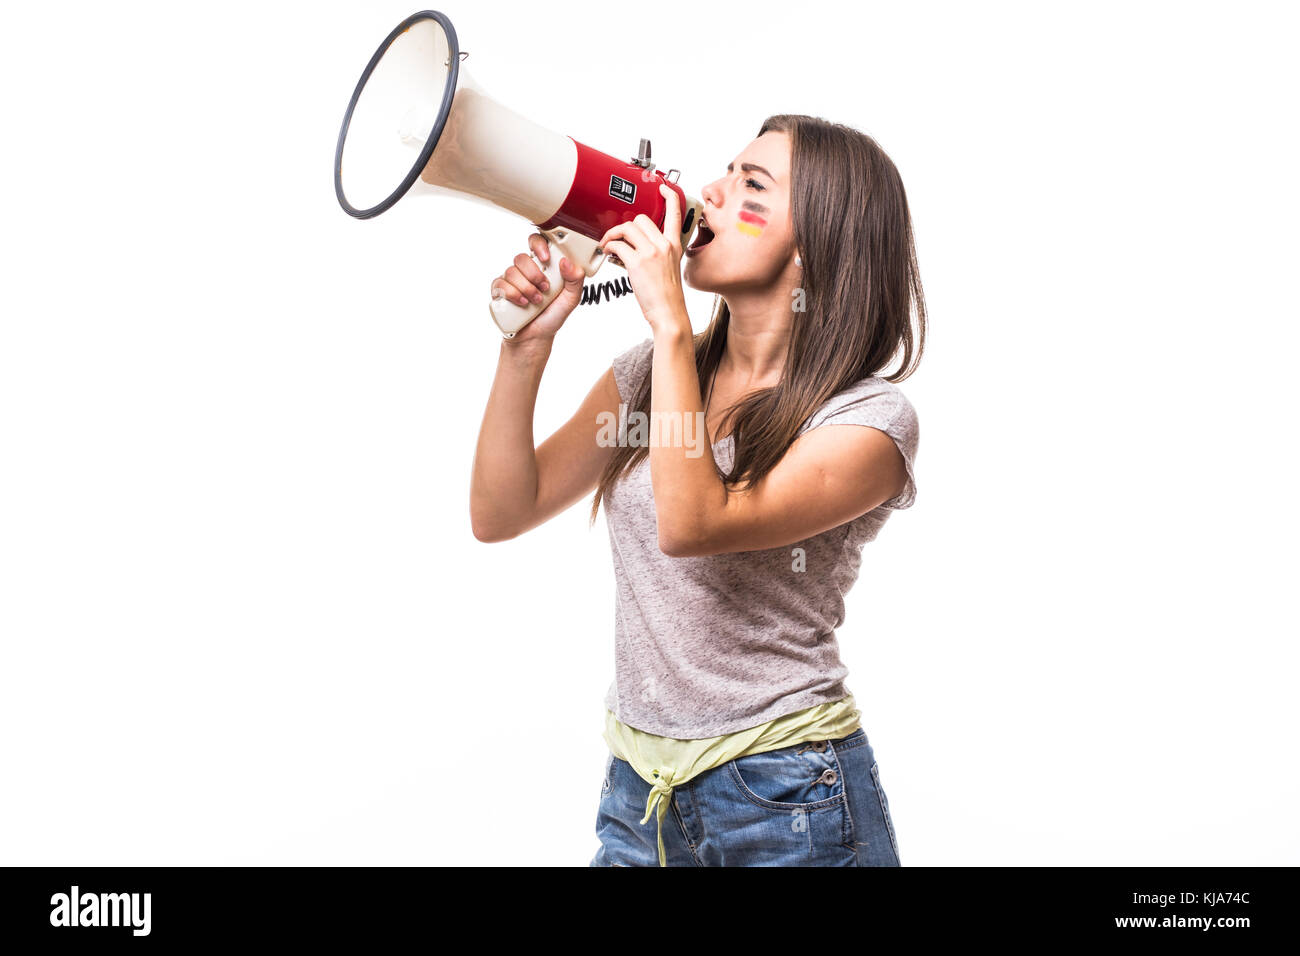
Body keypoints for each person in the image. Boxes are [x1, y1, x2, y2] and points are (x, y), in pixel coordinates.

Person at [471, 114, 927, 866]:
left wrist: (672, 327)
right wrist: (525, 348)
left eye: (753, 184)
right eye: (726, 170)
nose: (709, 193)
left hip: (787, 797)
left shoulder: (869, 424)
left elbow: (692, 522)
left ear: (813, 245)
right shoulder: (645, 378)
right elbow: (500, 512)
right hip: (639, 796)